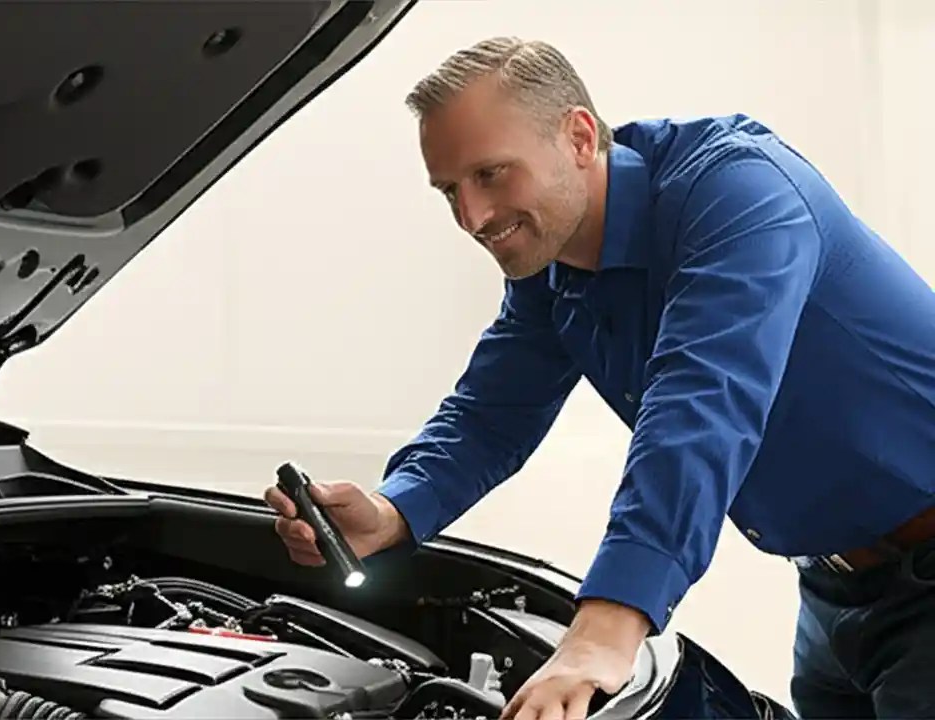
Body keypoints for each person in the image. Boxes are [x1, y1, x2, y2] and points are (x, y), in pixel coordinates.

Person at [263, 36, 935, 720]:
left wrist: (607, 626)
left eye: (492, 174)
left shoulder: (740, 192)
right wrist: (391, 511)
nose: (472, 217)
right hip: (837, 588)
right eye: (450, 192)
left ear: (580, 136)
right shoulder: (553, 266)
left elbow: (701, 404)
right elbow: (490, 412)